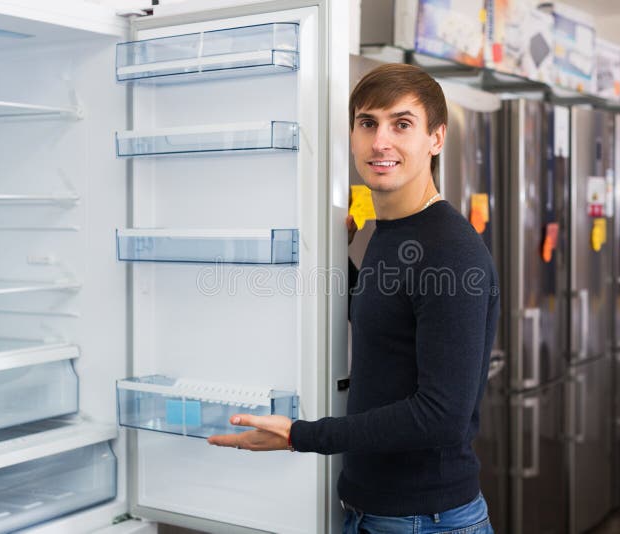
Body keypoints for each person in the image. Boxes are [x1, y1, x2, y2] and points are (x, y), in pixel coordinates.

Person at [207, 63, 500, 534]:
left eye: (401, 124)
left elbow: (440, 417)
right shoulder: (391, 231)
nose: (380, 141)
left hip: (428, 520)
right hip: (375, 511)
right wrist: (333, 253)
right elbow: (381, 323)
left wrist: (301, 436)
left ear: (437, 138)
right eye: (368, 123)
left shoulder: (452, 251)